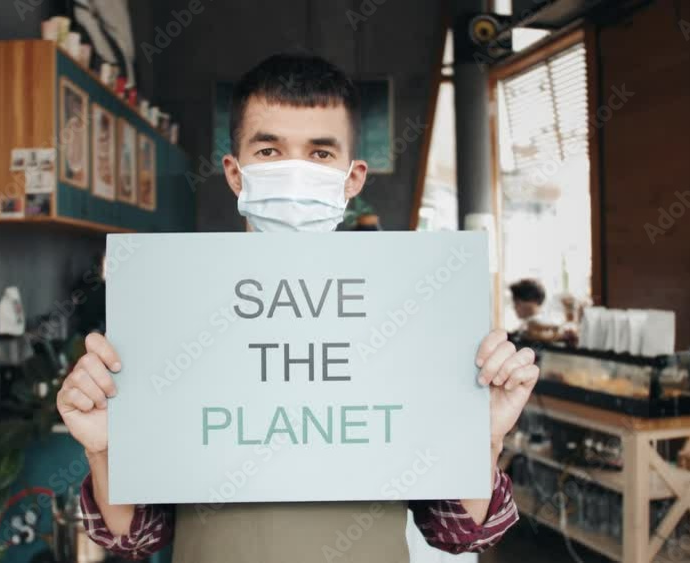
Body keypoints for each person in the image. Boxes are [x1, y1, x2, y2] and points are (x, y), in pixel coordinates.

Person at [57, 53, 540, 563]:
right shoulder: (174, 316)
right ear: (236, 173)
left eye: (319, 153)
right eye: (268, 150)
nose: (293, 172)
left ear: (352, 179)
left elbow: (461, 535)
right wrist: (107, 449)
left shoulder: (407, 315)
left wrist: (478, 438)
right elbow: (138, 536)